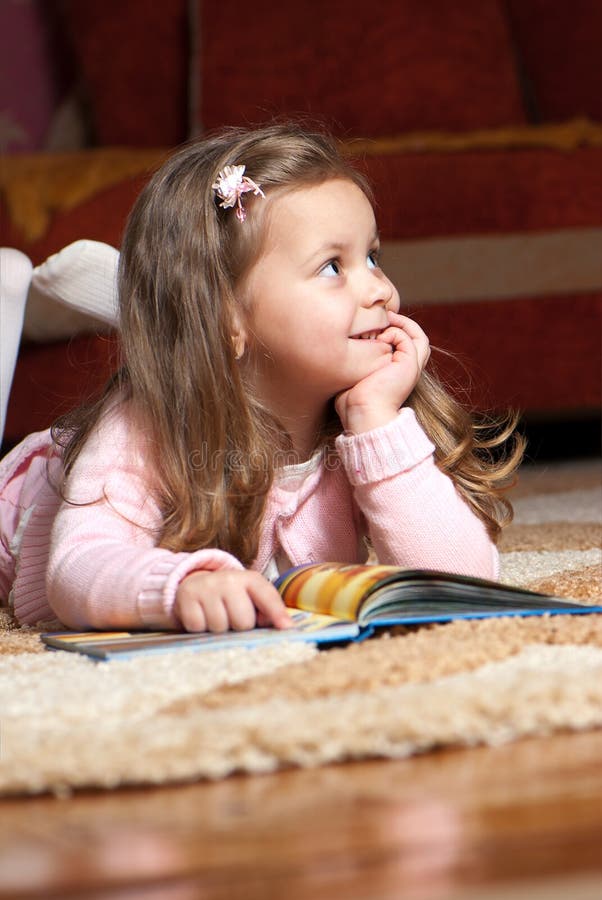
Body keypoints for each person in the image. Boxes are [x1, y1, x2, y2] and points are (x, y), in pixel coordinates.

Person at [0, 122, 523, 632]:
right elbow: (77, 569)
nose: (380, 290)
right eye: (332, 267)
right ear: (228, 316)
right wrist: (180, 587)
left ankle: (146, 307)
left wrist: (376, 421)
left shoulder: (363, 422)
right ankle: (114, 302)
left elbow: (464, 583)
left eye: (372, 257)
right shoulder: (142, 424)